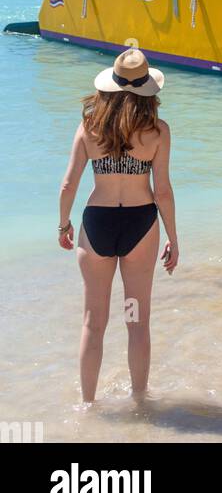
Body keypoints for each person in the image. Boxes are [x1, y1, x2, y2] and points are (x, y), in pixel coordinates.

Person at [57, 48, 178, 404]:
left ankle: (88, 405)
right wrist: (173, 237)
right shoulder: (157, 131)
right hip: (140, 226)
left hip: (98, 225)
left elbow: (68, 185)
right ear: (148, 90)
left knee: (94, 322)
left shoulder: (89, 127)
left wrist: (63, 224)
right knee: (136, 320)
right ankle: (139, 401)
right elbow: (164, 191)